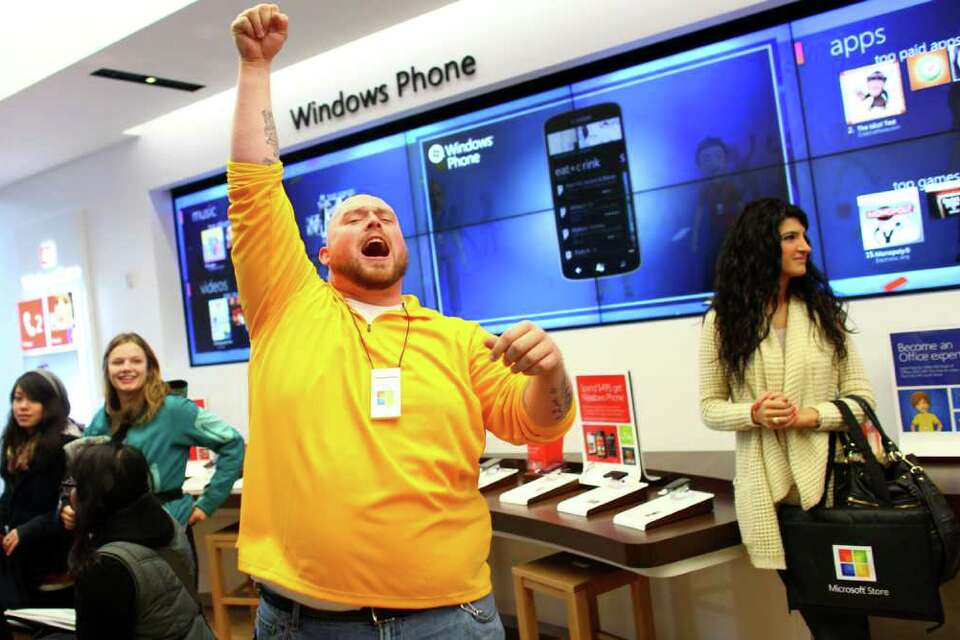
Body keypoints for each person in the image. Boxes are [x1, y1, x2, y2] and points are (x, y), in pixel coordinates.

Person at [228, 5, 575, 638]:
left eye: (386, 217)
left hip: (450, 620)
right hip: (306, 624)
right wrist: (255, 68)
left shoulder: (459, 340)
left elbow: (537, 421)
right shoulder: (287, 305)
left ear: (401, 247)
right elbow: (254, 188)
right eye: (354, 217)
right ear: (323, 253)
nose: (374, 221)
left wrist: (551, 372)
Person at [699, 198, 876, 639]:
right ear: (762, 245)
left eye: (805, 236)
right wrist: (754, 413)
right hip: (773, 499)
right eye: (791, 237)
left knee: (849, 621)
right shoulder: (723, 322)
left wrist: (811, 416)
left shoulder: (822, 313)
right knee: (826, 619)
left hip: (835, 489)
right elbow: (710, 407)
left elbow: (862, 400)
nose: (805, 247)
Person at [61, 333, 244, 533]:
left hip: (163, 529)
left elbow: (232, 443)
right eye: (118, 362)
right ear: (107, 370)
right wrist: (71, 507)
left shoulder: (174, 410)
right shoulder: (101, 418)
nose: (126, 368)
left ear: (149, 368)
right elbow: (85, 474)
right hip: (113, 530)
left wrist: (208, 503)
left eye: (136, 361)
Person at [67, 442, 212, 638]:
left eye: (75, 485)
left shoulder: (106, 566)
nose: (71, 494)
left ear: (93, 496)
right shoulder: (166, 520)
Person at [0, 371, 77, 637]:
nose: (22, 406)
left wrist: (27, 530)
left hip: (56, 556)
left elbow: (68, 508)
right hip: (21, 557)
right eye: (17, 399)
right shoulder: (13, 444)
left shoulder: (68, 445)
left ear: (51, 403)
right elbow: (10, 495)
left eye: (32, 400)